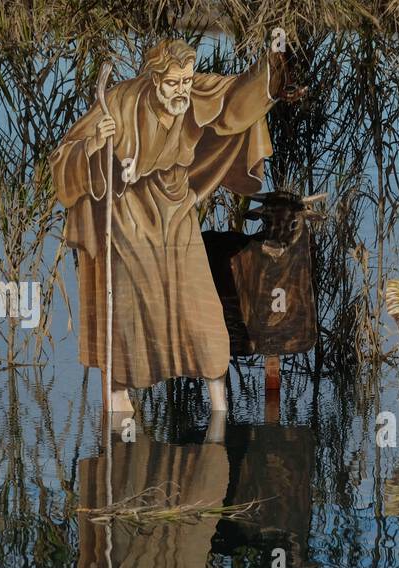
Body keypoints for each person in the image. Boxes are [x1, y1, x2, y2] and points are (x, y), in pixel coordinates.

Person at [52, 39, 302, 415]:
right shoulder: (119, 101)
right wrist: (95, 148)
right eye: (174, 83)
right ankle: (120, 406)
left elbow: (233, 100)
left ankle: (218, 412)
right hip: (129, 217)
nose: (182, 90)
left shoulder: (190, 91)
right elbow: (64, 157)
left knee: (201, 314)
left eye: (186, 81)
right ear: (154, 80)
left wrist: (273, 68)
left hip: (176, 207)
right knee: (129, 315)